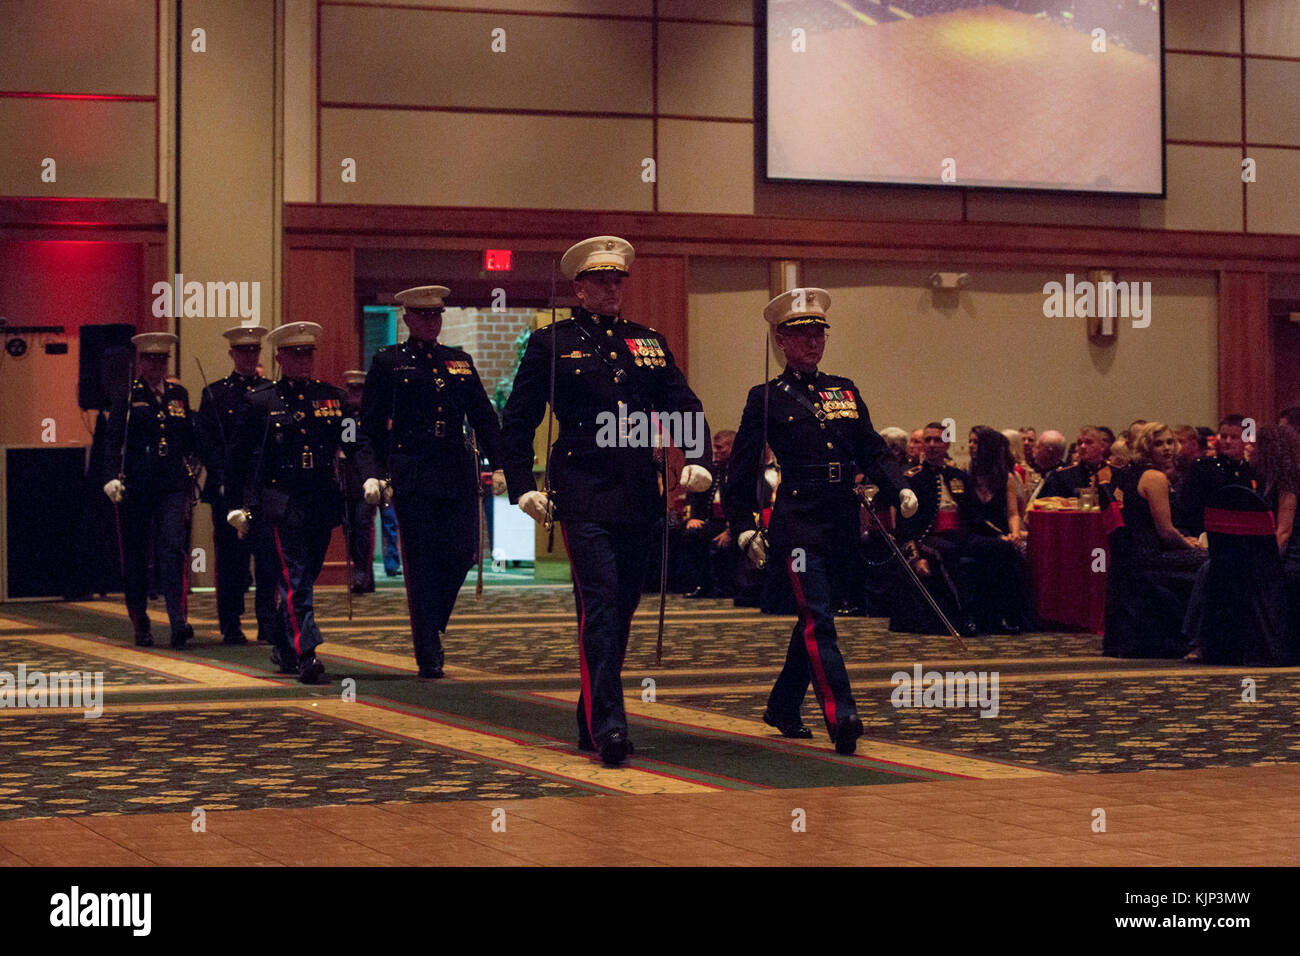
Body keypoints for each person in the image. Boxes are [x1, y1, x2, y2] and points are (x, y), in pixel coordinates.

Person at [500, 236, 712, 765]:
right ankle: (611, 727)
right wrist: (522, 482)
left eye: (618, 280)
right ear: (579, 288)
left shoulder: (649, 343)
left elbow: (683, 403)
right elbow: (519, 420)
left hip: (640, 491)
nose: (611, 288)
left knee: (622, 607)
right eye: (600, 280)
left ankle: (589, 712)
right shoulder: (551, 344)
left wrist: (700, 458)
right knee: (599, 605)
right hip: (584, 490)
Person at [726, 288, 916, 754]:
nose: (813, 343)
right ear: (782, 341)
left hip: (840, 517)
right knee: (818, 618)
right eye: (802, 335)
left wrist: (898, 487)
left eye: (819, 334)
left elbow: (871, 448)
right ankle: (842, 714)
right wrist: (744, 524)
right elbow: (744, 466)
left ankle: (784, 705)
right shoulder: (765, 398)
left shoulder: (844, 390)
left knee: (817, 615)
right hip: (797, 518)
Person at [357, 285, 504, 678]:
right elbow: (368, 428)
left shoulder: (459, 361)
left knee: (462, 554)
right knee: (421, 562)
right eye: (422, 316)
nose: (430, 322)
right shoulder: (389, 362)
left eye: (436, 315)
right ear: (406, 319)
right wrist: (372, 473)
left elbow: (484, 418)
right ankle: (427, 646)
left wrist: (503, 464)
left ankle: (432, 620)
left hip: (455, 469)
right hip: (414, 474)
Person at [226, 322, 348, 684]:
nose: (303, 360)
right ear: (280, 357)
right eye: (295, 354)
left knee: (307, 574)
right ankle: (306, 653)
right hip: (281, 501)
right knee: (295, 580)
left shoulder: (332, 398)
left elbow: (353, 439)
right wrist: (237, 503)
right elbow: (239, 458)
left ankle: (282, 640)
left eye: (308, 353)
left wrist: (371, 473)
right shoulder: (261, 400)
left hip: (320, 500)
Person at [102, 333, 198, 648]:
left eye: (162, 359)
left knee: (172, 549)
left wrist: (194, 467)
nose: (157, 365)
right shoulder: (127, 396)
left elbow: (189, 438)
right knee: (137, 555)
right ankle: (140, 621)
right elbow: (113, 439)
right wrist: (110, 476)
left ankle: (178, 621)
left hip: (171, 485)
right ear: (141, 362)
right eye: (151, 359)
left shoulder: (178, 394)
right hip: (137, 486)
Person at [195, 325, 275, 644]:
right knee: (231, 560)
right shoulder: (215, 393)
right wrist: (226, 474)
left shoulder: (271, 390)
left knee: (266, 558)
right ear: (232, 354)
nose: (249, 357)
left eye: (254, 351)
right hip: (229, 487)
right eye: (243, 352)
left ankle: (267, 623)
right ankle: (231, 623)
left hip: (263, 486)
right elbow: (206, 442)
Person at [1104, 423, 1207, 657]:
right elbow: (1166, 532)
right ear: (1146, 447)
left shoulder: (1125, 473)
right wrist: (1188, 543)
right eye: (1159, 444)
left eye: (1170, 442)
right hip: (1150, 558)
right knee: (1211, 563)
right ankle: (1198, 640)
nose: (1167, 448)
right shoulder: (1155, 478)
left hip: (1129, 559)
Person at [898, 422, 976, 636]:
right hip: (928, 538)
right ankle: (965, 615)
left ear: (947, 444)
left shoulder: (959, 477)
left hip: (960, 537)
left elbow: (972, 515)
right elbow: (905, 525)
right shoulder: (911, 478)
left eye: (938, 440)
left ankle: (1006, 617)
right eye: (928, 440)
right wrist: (915, 557)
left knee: (1000, 550)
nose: (932, 445)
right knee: (947, 552)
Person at [963, 426, 1035, 634]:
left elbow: (1013, 513)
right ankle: (995, 616)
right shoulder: (965, 478)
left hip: (999, 535)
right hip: (974, 535)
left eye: (975, 442)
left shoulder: (1006, 479)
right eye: (970, 441)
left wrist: (1013, 533)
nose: (970, 446)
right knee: (1001, 549)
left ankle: (999, 614)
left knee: (1007, 548)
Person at [1178, 414, 1259, 536]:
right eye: (1224, 436)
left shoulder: (1251, 469)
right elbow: (1191, 508)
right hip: (1208, 533)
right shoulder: (1203, 467)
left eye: (1234, 437)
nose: (1227, 441)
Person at [683, 429, 737, 599]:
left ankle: (724, 587)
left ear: (732, 448)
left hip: (735, 524)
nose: (716, 452)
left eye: (721, 448)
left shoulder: (741, 472)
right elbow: (694, 494)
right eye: (715, 448)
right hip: (712, 521)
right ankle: (701, 584)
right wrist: (693, 518)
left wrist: (730, 531)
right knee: (692, 534)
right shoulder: (712, 472)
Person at [339, 369, 376, 595]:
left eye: (358, 391)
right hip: (348, 478)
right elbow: (347, 446)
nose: (354, 395)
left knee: (363, 525)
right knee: (349, 527)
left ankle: (364, 571)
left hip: (368, 480)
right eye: (351, 390)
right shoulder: (348, 418)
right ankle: (359, 569)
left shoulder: (373, 415)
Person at [1037, 426, 1112, 499]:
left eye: (1089, 442)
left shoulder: (1116, 474)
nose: (1083, 446)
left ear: (1102, 446)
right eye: (1079, 443)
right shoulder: (1061, 476)